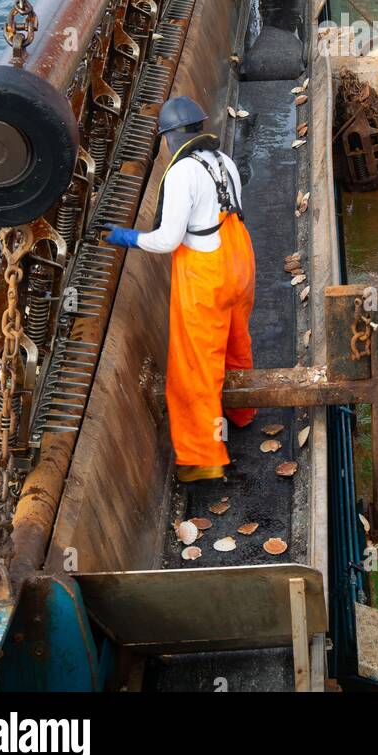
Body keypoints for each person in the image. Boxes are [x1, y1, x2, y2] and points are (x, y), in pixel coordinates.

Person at [103, 96, 256, 497]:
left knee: (194, 368)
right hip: (239, 261)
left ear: (170, 137)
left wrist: (127, 237)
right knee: (236, 342)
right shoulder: (224, 161)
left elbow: (169, 239)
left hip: (206, 274)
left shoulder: (181, 172)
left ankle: (204, 460)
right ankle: (242, 412)